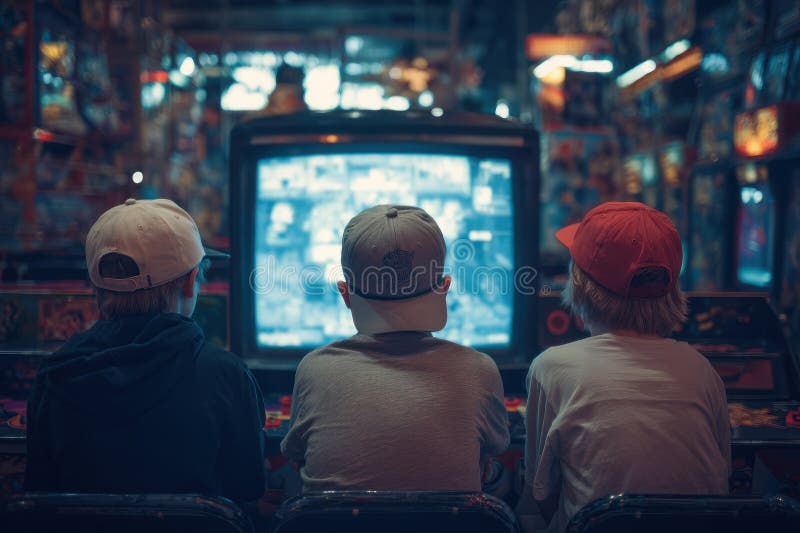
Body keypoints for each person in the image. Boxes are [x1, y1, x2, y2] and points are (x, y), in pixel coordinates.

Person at [25, 198, 266, 502]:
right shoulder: (227, 375)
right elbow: (248, 490)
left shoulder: (53, 377)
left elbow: (38, 498)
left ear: (97, 287)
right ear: (191, 282)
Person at [520, 202, 730, 532]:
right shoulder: (702, 370)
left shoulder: (551, 368)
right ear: (672, 288)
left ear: (579, 283)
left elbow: (540, 492)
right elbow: (721, 483)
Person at [281, 204, 509, 491]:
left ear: (345, 293)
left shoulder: (314, 369)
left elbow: (297, 458)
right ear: (445, 286)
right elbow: (492, 451)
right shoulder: (480, 370)